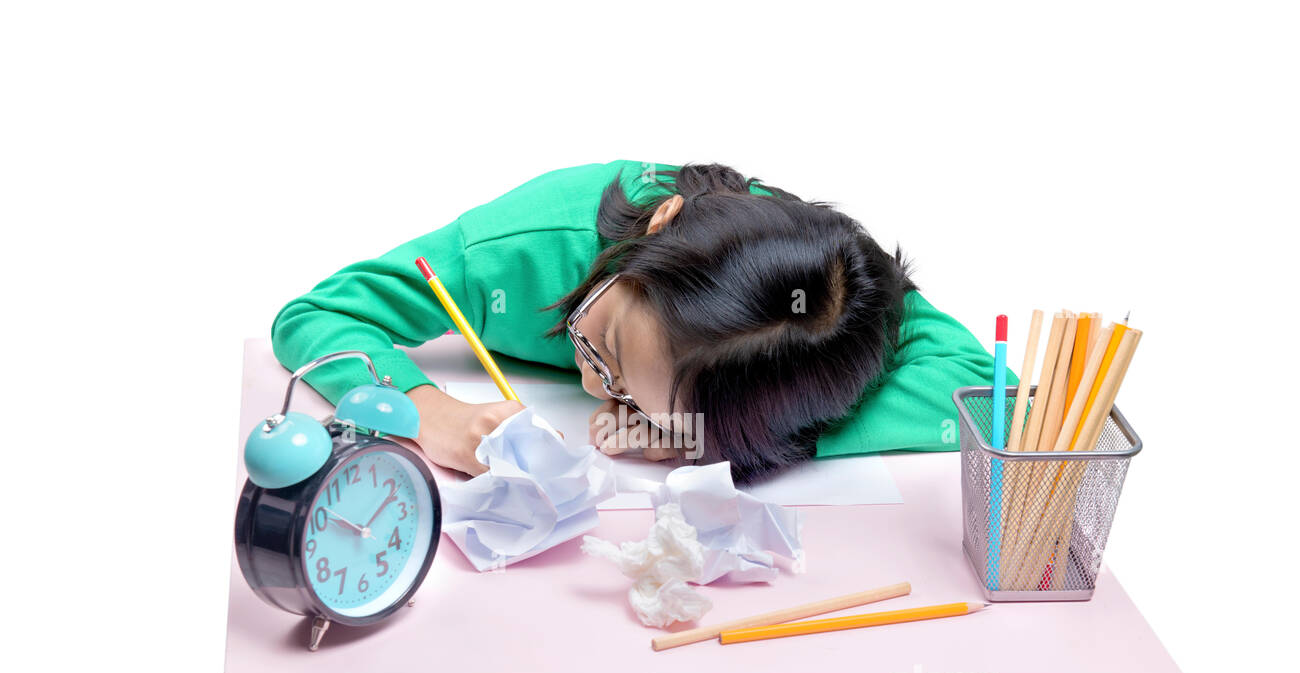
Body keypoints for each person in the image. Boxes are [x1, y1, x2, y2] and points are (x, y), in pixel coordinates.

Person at [272, 161, 999, 481]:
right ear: (661, 223)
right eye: (606, 341)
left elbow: (994, 399)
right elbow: (319, 314)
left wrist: (743, 440)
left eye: (628, 393)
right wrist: (423, 412)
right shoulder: (523, 251)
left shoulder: (828, 305)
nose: (593, 380)